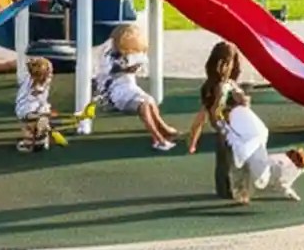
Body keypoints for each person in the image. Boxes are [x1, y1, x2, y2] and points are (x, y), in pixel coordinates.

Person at [92, 24, 178, 151]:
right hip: (115, 92)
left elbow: (140, 63)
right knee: (143, 105)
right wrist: (126, 69)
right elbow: (108, 71)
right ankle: (157, 138)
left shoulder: (129, 50)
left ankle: (163, 128)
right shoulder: (108, 52)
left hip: (129, 86)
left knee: (150, 100)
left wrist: (134, 67)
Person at [188, 41, 245, 199]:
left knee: (238, 158)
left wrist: (243, 100)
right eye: (223, 64)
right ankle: (225, 189)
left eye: (229, 63)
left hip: (238, 127)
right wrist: (193, 140)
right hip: (225, 128)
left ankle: (238, 186)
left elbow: (243, 106)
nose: (226, 68)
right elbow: (204, 114)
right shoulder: (214, 87)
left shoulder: (231, 84)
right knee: (225, 159)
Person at [15, 57, 54, 153]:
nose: (51, 76)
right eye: (49, 74)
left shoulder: (34, 80)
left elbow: (42, 101)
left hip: (33, 107)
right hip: (26, 109)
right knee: (32, 124)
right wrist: (41, 114)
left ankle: (40, 138)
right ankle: (29, 142)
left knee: (42, 119)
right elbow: (34, 102)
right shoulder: (37, 87)